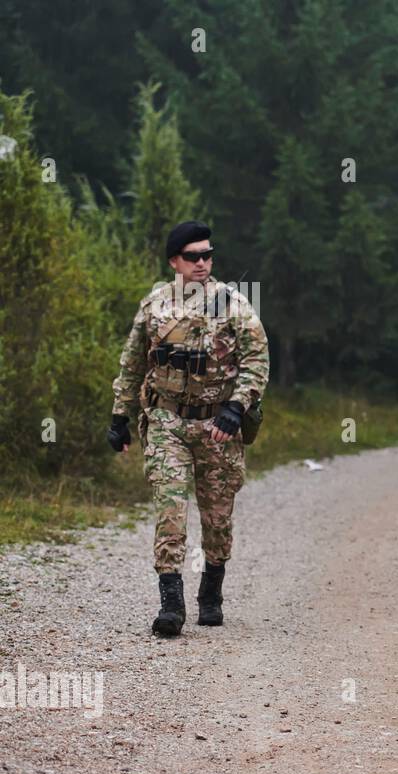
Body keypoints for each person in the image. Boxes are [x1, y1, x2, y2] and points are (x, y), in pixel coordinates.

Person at [107, 220, 270, 637]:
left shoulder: (233, 304)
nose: (202, 262)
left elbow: (257, 361)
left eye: (208, 254)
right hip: (167, 422)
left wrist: (236, 407)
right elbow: (132, 363)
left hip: (217, 425)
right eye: (193, 256)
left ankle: (210, 593)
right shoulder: (155, 306)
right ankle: (171, 605)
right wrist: (120, 417)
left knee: (217, 519)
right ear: (174, 261)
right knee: (170, 511)